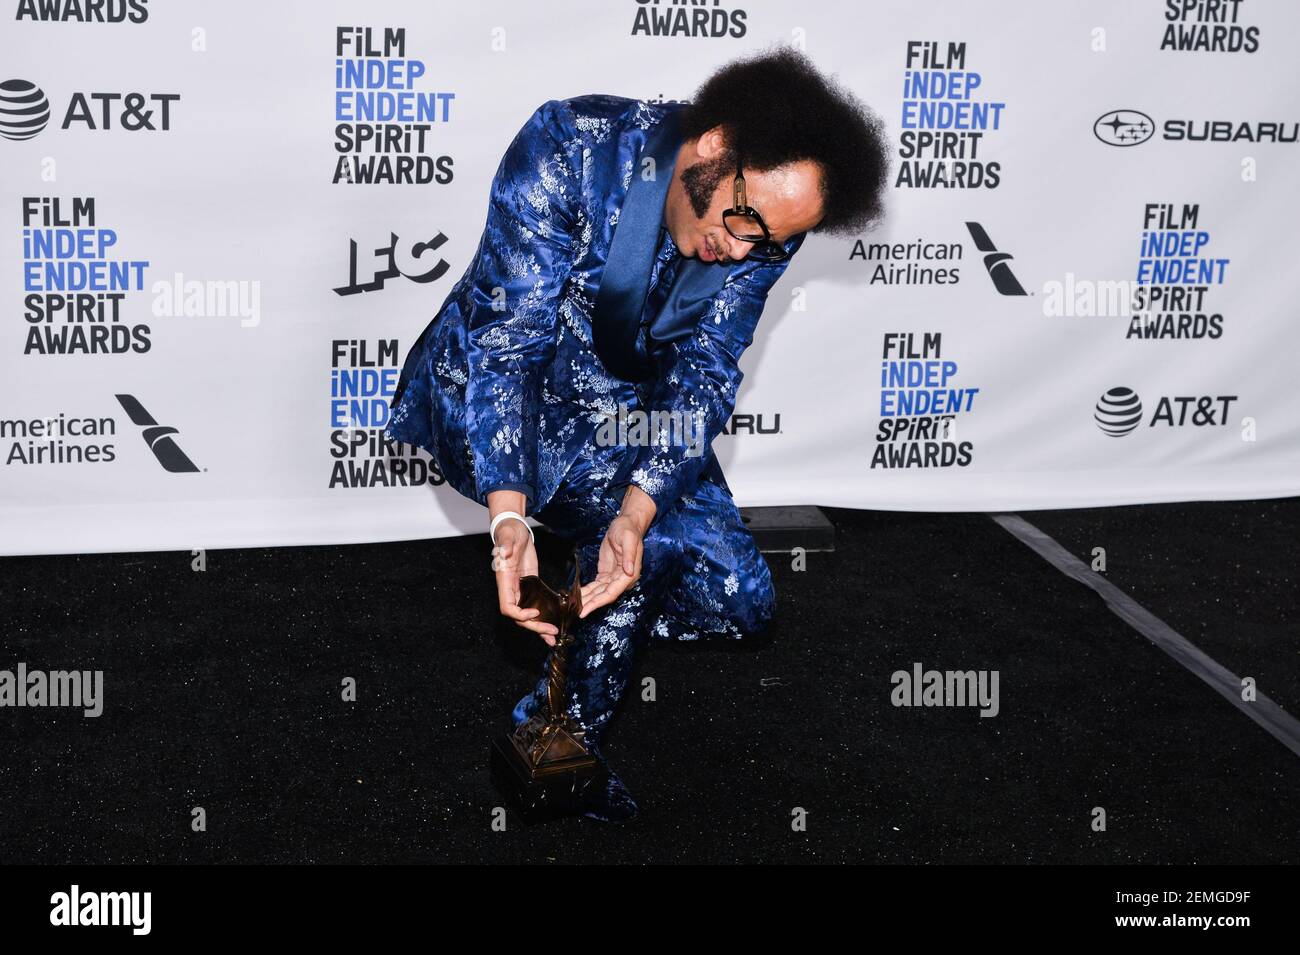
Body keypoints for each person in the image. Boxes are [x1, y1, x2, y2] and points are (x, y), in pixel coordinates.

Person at [385, 46, 889, 821]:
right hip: (494, 401)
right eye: (747, 221)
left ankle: (585, 608)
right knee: (646, 558)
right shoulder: (569, 146)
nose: (749, 250)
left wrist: (637, 508)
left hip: (624, 408)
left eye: (775, 244)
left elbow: (707, 371)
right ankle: (558, 733)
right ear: (715, 147)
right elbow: (505, 349)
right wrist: (510, 516)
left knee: (740, 599)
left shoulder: (762, 226)